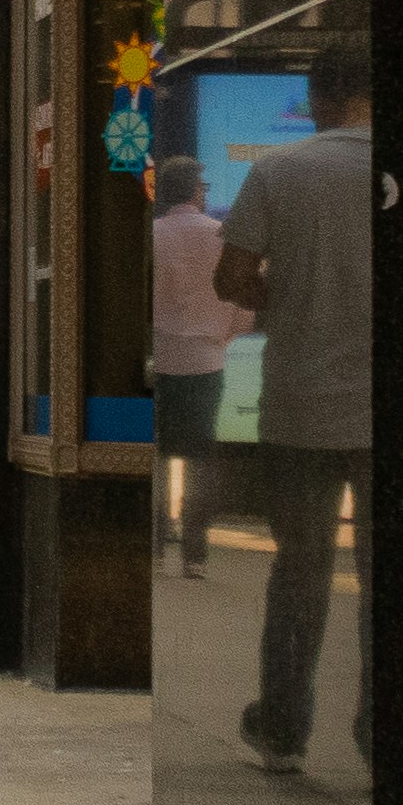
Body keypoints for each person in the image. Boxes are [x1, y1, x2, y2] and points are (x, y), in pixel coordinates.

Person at [212, 37, 377, 776]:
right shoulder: (401, 167)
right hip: (387, 413)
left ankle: (282, 727)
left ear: (316, 98)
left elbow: (231, 275)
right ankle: (383, 733)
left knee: (301, 571)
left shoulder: (278, 170)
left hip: (301, 406)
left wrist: (281, 295)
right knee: (387, 575)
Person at [146, 156, 234, 577]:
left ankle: (156, 547)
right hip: (205, 359)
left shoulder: (151, 235)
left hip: (160, 357)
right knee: (201, 457)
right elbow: (241, 297)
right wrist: (221, 336)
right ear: (197, 191)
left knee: (158, 454)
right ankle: (195, 556)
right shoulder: (221, 234)